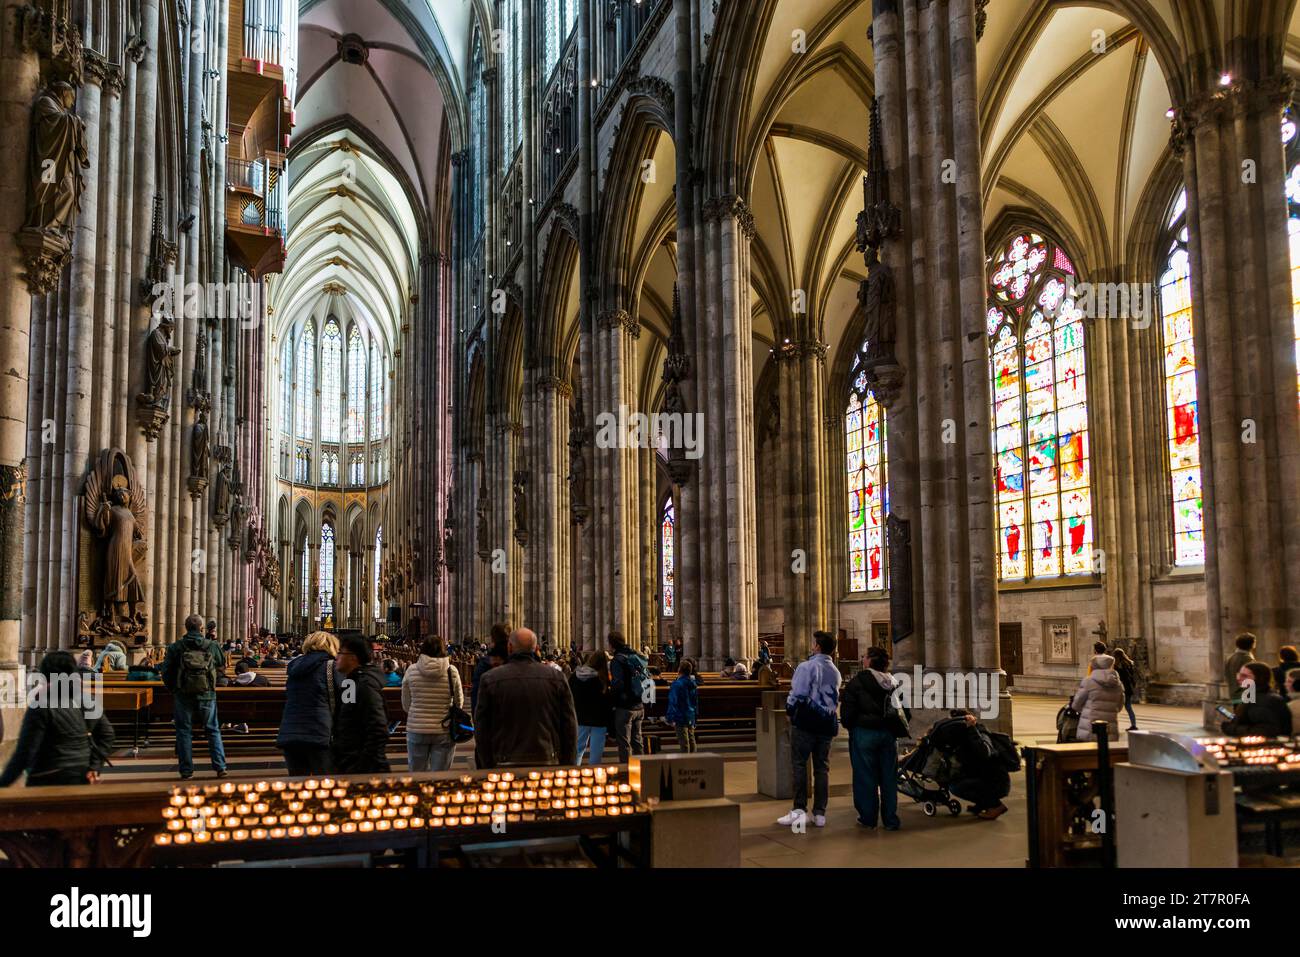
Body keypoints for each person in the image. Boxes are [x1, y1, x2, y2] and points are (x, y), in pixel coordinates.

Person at [0, 651, 115, 787]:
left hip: (47, 776)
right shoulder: (86, 699)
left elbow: (25, 752)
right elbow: (107, 733)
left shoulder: (41, 705)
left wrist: (3, 784)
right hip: (81, 773)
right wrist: (94, 767)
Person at [473, 628, 577, 768]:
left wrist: (488, 764)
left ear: (510, 647)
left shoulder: (490, 679)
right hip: (546, 760)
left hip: (503, 762)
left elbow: (481, 728)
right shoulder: (557, 678)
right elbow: (569, 725)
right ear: (536, 648)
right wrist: (567, 765)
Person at [778, 631, 842, 828]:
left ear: (818, 647)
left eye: (814, 643)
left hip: (806, 723)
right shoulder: (836, 671)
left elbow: (797, 693)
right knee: (822, 769)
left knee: (799, 765)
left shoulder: (807, 666)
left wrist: (789, 712)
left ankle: (799, 811)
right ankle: (820, 813)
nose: (812, 646)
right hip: (826, 724)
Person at [841, 646, 901, 830]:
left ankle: (868, 818)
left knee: (865, 776)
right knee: (889, 778)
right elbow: (903, 712)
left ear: (870, 660)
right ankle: (890, 820)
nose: (862, 659)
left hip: (864, 733)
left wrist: (853, 726)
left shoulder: (857, 682)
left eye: (864, 656)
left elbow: (847, 713)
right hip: (888, 734)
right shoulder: (894, 682)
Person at [162, 614, 228, 779]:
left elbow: (166, 672)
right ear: (201, 628)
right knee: (212, 730)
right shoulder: (211, 645)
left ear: (186, 628)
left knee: (184, 732)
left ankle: (186, 771)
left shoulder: (176, 647)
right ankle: (220, 767)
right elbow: (221, 664)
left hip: (183, 695)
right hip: (207, 695)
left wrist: (175, 689)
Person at [276, 631, 337, 775]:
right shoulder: (332, 667)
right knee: (325, 786)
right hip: (319, 733)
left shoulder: (294, 666)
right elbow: (348, 699)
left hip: (290, 733)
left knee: (298, 787)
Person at [930, 711, 1011, 820]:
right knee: (955, 781)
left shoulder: (979, 732)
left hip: (997, 782)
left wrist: (972, 729)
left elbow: (984, 752)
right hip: (984, 777)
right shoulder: (963, 736)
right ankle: (983, 804)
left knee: (956, 787)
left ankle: (995, 806)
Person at [401, 635, 465, 772]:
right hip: (444, 729)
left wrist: (417, 714)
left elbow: (406, 704)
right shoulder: (451, 671)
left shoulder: (411, 670)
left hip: (417, 729)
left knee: (417, 774)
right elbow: (459, 702)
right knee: (440, 776)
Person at [332, 635, 392, 773]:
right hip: (347, 761)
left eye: (341, 653)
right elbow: (346, 719)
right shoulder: (351, 681)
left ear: (353, 657)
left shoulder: (365, 684)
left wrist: (361, 765)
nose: (337, 657)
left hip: (364, 767)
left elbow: (378, 729)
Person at [607, 630, 649, 762]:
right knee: (637, 740)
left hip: (625, 707)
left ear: (612, 644)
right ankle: (642, 770)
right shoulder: (635, 655)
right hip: (639, 705)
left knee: (624, 742)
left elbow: (618, 684)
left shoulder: (618, 660)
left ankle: (627, 772)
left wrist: (612, 701)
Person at [1222, 663, 1293, 737]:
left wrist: (1232, 729)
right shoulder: (1254, 697)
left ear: (1259, 678)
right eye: (1239, 674)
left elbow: (1265, 731)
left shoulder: (1263, 700)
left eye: (1244, 676)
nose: (1238, 678)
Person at [569, 650, 613, 765]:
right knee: (595, 754)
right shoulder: (602, 678)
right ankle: (595, 778)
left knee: (577, 750)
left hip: (580, 717)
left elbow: (569, 696)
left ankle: (574, 775)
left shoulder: (575, 675)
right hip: (599, 720)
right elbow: (607, 701)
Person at [1071, 653, 1125, 741]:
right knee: (1106, 752)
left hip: (1090, 727)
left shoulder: (1088, 681)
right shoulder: (1118, 684)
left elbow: (1076, 704)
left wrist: (1086, 710)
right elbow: (1119, 706)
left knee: (1090, 752)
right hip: (1110, 728)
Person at [471, 623, 511, 715]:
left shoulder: (485, 664)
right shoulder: (517, 662)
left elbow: (477, 700)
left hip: (493, 720)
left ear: (493, 639)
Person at [665, 659, 699, 753]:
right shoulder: (693, 684)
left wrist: (670, 718)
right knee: (691, 739)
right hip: (690, 714)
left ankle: (686, 763)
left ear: (679, 670)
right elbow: (695, 702)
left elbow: (673, 701)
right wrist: (695, 716)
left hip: (680, 715)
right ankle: (694, 760)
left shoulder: (677, 684)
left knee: (684, 741)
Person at [1224, 632, 1257, 702]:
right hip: (1246, 696)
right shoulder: (1247, 659)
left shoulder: (1230, 658)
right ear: (1251, 644)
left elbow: (1226, 676)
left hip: (1233, 694)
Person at [1111, 646, 1138, 731]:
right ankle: (1133, 724)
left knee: (1116, 707)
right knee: (1128, 706)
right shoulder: (1128, 664)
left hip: (1122, 689)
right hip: (1129, 688)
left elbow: (1120, 678)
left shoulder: (1119, 666)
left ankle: (1112, 725)